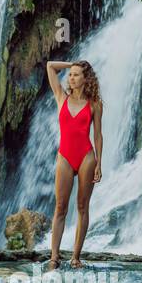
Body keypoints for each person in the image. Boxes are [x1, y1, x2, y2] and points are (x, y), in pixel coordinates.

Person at [44, 59, 103, 269]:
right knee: (60, 207)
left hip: (86, 156)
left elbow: (97, 136)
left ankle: (76, 257)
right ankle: (54, 256)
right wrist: (72, 64)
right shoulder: (61, 97)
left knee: (82, 207)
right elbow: (50, 66)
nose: (71, 77)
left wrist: (99, 163)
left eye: (77, 74)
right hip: (65, 157)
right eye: (70, 74)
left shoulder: (95, 104)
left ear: (86, 79)